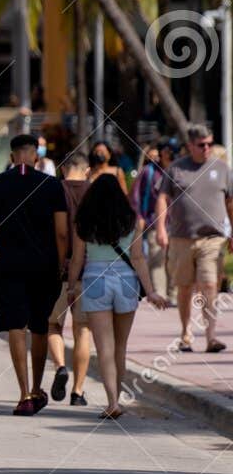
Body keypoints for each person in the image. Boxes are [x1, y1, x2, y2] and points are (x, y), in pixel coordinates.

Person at [0, 134, 71, 415]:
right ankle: (38, 386)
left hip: (8, 265)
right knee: (40, 326)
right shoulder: (52, 185)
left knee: (16, 326)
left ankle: (24, 392)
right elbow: (62, 232)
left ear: (13, 155)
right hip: (44, 266)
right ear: (36, 156)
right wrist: (61, 263)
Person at [68, 174, 171, 419]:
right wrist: (152, 290)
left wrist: (71, 286)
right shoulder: (131, 220)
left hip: (95, 281)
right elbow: (137, 258)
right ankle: (118, 399)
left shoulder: (83, 221)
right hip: (126, 281)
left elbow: (77, 259)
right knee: (120, 347)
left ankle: (112, 401)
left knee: (104, 347)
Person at [154, 123, 233, 352]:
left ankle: (211, 336)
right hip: (181, 238)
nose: (207, 148)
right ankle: (186, 333)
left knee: (209, 284)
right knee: (185, 287)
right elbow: (161, 198)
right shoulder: (176, 169)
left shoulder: (223, 169)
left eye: (210, 143)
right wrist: (160, 228)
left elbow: (230, 202)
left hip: (213, 238)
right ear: (190, 146)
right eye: (201, 145)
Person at [46, 153, 94, 406]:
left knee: (53, 325)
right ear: (86, 171)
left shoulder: (54, 190)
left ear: (63, 169)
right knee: (82, 330)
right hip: (89, 270)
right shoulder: (93, 192)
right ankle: (78, 391)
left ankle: (60, 366)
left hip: (58, 270)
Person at [133, 140, 175, 302]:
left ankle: (174, 295)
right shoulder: (149, 171)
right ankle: (160, 295)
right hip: (153, 222)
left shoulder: (180, 170)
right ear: (161, 152)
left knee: (174, 260)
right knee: (157, 260)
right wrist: (139, 217)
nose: (169, 154)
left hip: (177, 224)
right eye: (166, 150)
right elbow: (136, 196)